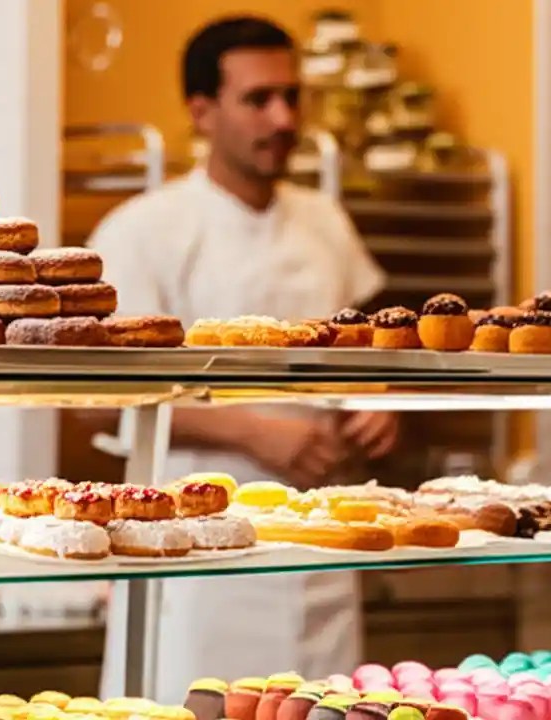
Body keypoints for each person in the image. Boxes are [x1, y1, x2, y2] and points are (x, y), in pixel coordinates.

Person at [89, 16, 398, 702]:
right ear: (202, 112)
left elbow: (363, 350)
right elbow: (101, 393)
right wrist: (255, 430)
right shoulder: (145, 232)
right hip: (200, 560)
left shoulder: (326, 223)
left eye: (293, 96)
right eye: (259, 99)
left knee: (323, 710)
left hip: (321, 550)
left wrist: (375, 400)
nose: (284, 117)